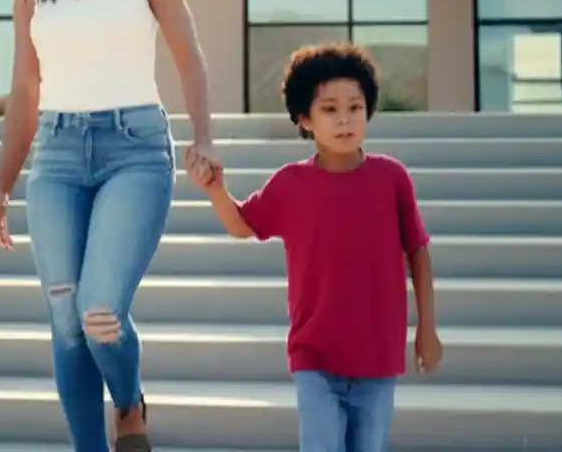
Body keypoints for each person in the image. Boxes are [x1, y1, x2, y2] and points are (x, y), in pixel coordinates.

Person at [0, 0, 220, 452]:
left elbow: (189, 56)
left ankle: (131, 402)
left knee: (98, 312)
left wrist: (205, 137)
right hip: (57, 158)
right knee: (65, 323)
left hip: (134, 149)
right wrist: (1, 187)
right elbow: (24, 92)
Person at [185, 43, 441, 452]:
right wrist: (216, 190)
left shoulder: (392, 178)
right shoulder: (290, 184)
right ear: (305, 118)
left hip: (378, 357)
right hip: (314, 356)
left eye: (355, 107)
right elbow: (242, 224)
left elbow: (419, 253)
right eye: (330, 109)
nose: (345, 119)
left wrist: (427, 328)